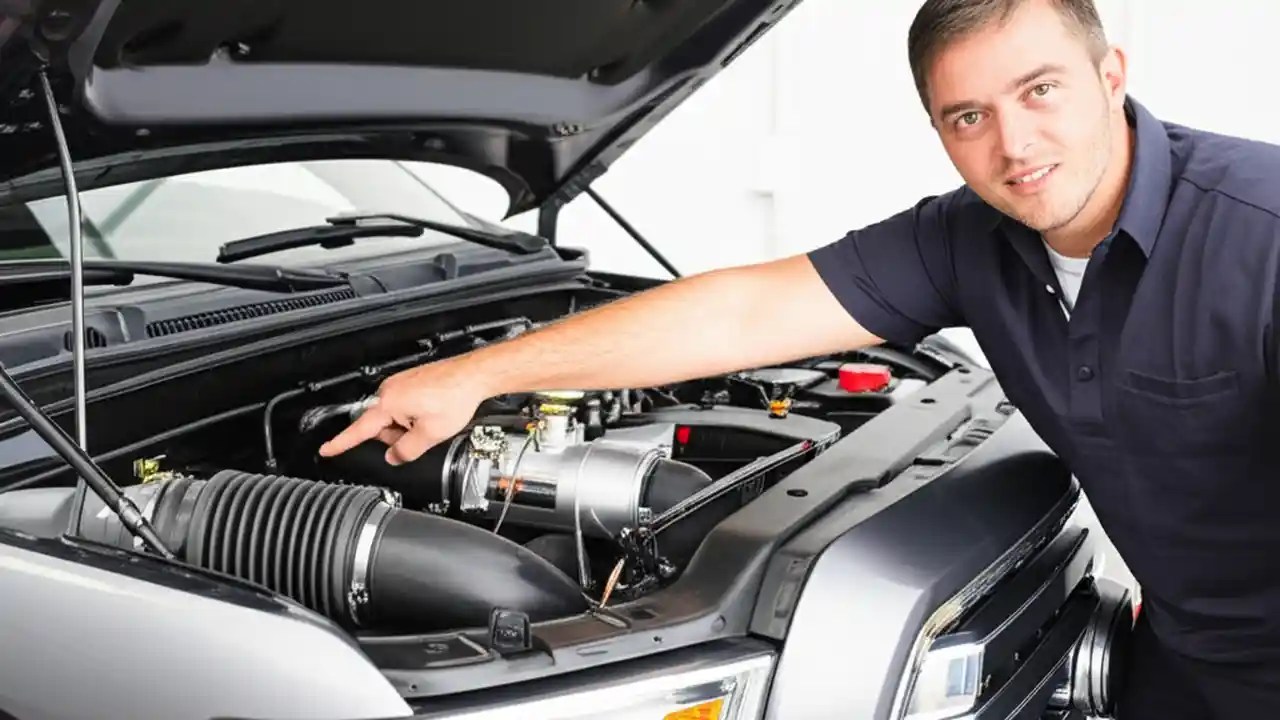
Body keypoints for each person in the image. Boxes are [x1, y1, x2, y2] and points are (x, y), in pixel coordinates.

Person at [320, 0, 1280, 716]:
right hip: (1180, 666)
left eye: (1040, 91)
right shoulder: (968, 239)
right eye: (968, 117)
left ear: (1112, 74)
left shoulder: (1262, 234)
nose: (1014, 145)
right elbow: (742, 313)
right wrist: (475, 375)